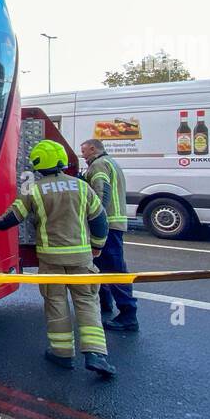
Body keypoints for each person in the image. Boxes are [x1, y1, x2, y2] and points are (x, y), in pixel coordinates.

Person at [0, 140, 116, 377]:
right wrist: (97, 247)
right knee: (87, 303)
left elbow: (10, 219)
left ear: (37, 164)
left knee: (56, 304)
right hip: (81, 258)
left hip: (50, 259)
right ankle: (96, 355)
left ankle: (62, 354)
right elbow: (100, 221)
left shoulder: (32, 190)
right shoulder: (82, 187)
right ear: (61, 160)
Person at [80, 138, 139, 332]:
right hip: (115, 223)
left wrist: (96, 220)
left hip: (108, 225)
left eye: (85, 151)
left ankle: (128, 315)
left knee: (114, 270)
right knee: (101, 266)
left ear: (93, 148)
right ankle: (105, 303)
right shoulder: (110, 163)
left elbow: (101, 193)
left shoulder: (99, 165)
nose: (83, 155)